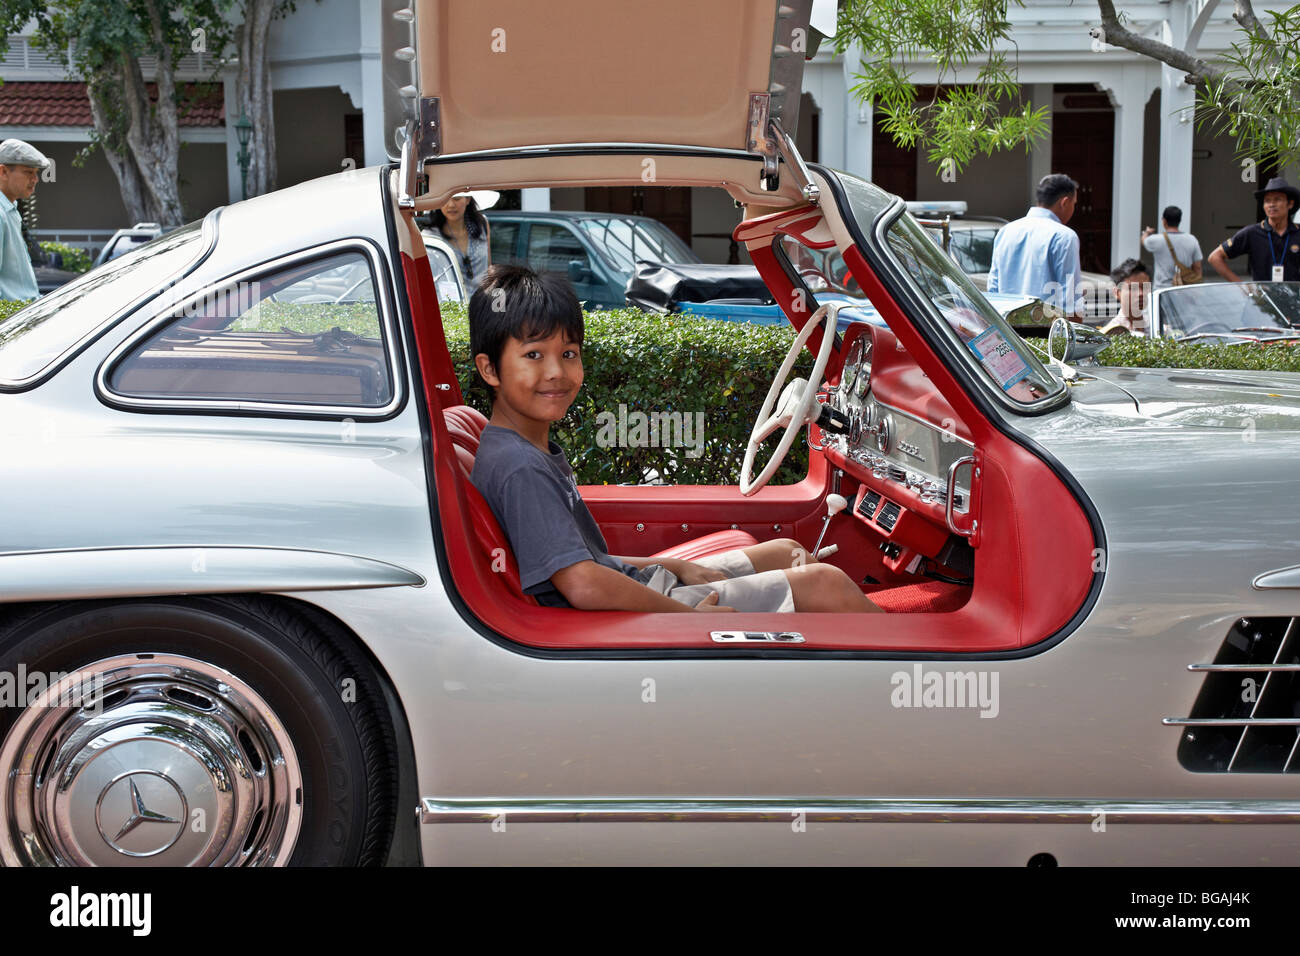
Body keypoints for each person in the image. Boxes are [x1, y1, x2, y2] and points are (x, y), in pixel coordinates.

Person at [468, 264, 882, 614]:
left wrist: (669, 563)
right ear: (489, 370)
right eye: (534, 355)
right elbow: (584, 584)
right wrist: (685, 617)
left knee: (786, 549)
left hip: (647, 586)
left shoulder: (523, 448)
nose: (557, 372)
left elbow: (587, 561)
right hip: (639, 615)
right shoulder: (520, 467)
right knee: (827, 585)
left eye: (569, 353)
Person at [988, 173, 1085, 317]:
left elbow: (993, 290)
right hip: (1046, 332)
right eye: (1074, 204)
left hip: (1007, 328)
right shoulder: (1064, 237)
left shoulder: (1006, 231)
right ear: (1064, 202)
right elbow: (1070, 301)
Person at [1207, 177, 1300, 283]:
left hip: (1294, 298)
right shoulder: (1252, 233)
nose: (1271, 205)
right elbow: (1214, 258)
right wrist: (1241, 285)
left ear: (1290, 204)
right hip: (1262, 298)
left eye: (1277, 199)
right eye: (1267, 201)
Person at [0, 139, 50, 302]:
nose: (35, 179)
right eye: (28, 172)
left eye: (36, 173)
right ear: (3, 172)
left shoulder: (10, 209)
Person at [423, 189, 497, 292]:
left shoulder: (482, 224)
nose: (451, 205)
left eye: (456, 199)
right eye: (445, 200)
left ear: (468, 199)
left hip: (482, 301)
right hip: (452, 304)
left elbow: (489, 267)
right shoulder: (430, 237)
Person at [1141, 206, 1202, 288]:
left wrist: (1146, 232)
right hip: (1184, 288)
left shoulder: (1156, 240)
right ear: (1179, 220)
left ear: (1164, 221)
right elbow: (1197, 267)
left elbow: (1144, 241)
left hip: (1162, 289)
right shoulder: (1192, 239)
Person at [1099, 258, 1149, 336]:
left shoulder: (1159, 327)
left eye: (1144, 287)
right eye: (1132, 288)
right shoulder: (1110, 334)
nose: (1140, 293)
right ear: (1117, 293)